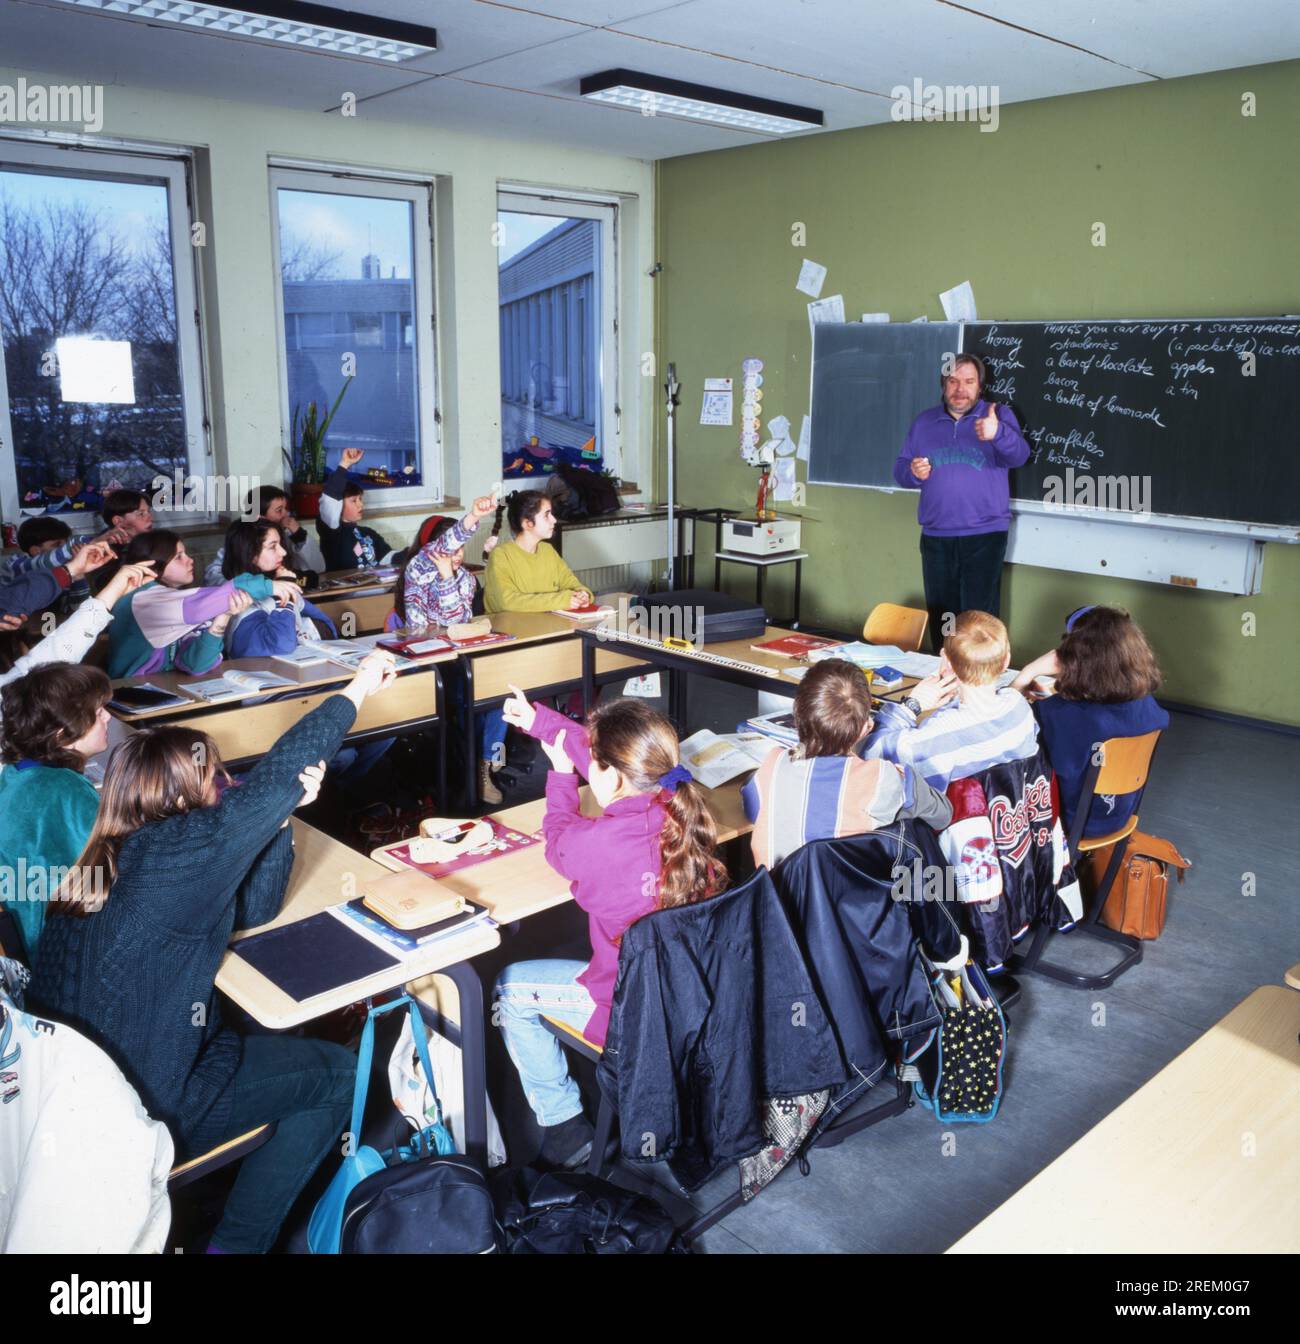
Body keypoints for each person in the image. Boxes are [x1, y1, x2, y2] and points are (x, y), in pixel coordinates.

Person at [32, 651, 398, 1255]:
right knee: (337, 1078)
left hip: (77, 1098)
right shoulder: (177, 854)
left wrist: (278, 822)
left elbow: (254, 909)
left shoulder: (112, 854)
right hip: (145, 1103)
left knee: (274, 1045)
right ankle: (238, 1245)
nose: (224, 786)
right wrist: (359, 686)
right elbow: (282, 768)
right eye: (214, 776)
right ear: (184, 793)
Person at [494, 687, 727, 1171]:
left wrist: (559, 775)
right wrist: (539, 721)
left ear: (613, 777)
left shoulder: (596, 844)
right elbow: (599, 750)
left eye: (592, 765)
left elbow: (557, 839)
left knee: (509, 988)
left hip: (629, 1012)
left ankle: (562, 1123)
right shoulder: (681, 807)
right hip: (698, 997)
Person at [743, 658, 952, 870]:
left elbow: (754, 810)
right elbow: (942, 815)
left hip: (775, 899)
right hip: (852, 899)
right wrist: (904, 779)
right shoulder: (882, 777)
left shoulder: (773, 765)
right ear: (866, 728)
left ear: (796, 717)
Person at [894, 353, 1031, 648]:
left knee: (979, 618)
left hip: (984, 535)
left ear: (980, 386)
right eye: (953, 381)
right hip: (937, 536)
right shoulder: (924, 422)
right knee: (944, 615)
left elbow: (1019, 455)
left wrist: (998, 434)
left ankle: (981, 680)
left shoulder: (999, 415)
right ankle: (944, 670)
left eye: (969, 381)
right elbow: (900, 469)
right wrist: (913, 473)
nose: (960, 389)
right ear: (943, 385)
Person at [1012, 604, 1169, 837]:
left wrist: (1027, 673)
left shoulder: (1060, 713)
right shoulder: (1147, 704)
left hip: (1069, 823)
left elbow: (1005, 725)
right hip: (1119, 817)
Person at [394, 495, 505, 802]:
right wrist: (471, 517)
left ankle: (484, 768)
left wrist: (451, 576)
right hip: (426, 663)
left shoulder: (467, 580)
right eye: (448, 548)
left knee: (498, 692)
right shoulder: (417, 571)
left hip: (458, 659)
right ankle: (462, 772)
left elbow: (457, 623)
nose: (456, 555)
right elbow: (449, 621)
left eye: (459, 548)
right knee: (465, 696)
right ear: (430, 550)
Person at [0, 664, 113, 957]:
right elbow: (111, 872)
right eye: (99, 712)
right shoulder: (65, 791)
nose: (108, 717)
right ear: (63, 734)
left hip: (27, 931)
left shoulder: (15, 774)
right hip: (61, 948)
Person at [862, 610, 1039, 791]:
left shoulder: (939, 735)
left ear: (946, 660)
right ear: (1006, 660)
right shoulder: (1019, 706)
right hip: (1011, 815)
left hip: (948, 818)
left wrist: (911, 705)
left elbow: (871, 753)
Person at [105, 530, 297, 678]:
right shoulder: (143, 599)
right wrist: (266, 586)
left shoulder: (171, 598)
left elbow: (195, 665)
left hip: (162, 690)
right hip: (129, 696)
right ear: (152, 564)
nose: (190, 560)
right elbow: (196, 607)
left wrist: (223, 617)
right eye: (179, 556)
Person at [219, 520, 336, 658]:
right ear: (250, 553)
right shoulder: (239, 601)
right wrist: (284, 599)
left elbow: (327, 627)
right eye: (272, 547)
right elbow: (281, 646)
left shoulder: (277, 584)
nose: (283, 552)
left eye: (280, 544)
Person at [484, 491, 590, 615]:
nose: (554, 520)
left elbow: (571, 583)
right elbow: (506, 601)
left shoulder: (548, 550)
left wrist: (582, 594)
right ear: (527, 523)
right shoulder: (500, 555)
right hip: (513, 630)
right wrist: (562, 600)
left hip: (547, 625)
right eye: (546, 515)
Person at [203, 485, 318, 587]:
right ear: (259, 517)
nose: (286, 514)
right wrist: (264, 586)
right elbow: (214, 578)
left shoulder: (287, 533)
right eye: (279, 510)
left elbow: (316, 570)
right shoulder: (241, 542)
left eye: (286, 509)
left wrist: (299, 535)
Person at [316, 448, 399, 572]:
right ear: (338, 505)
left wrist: (413, 552)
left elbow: (387, 557)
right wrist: (345, 464)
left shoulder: (368, 533)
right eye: (354, 500)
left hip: (375, 587)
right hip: (348, 589)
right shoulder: (332, 533)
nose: (361, 505)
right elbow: (330, 500)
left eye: (360, 499)